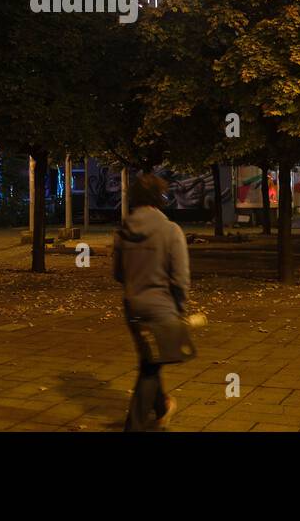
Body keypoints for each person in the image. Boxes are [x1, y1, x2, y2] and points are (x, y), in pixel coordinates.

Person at [112, 173, 193, 431]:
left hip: (133, 307)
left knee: (150, 359)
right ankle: (134, 425)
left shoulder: (122, 231)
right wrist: (181, 309)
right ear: (160, 197)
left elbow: (117, 273)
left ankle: (161, 406)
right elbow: (180, 278)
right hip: (161, 308)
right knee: (149, 368)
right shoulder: (170, 231)